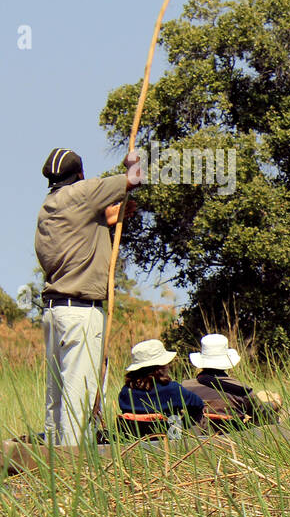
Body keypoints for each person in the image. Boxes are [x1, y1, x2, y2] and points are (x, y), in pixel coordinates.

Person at [35, 147, 143, 445]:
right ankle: (75, 473)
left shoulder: (49, 206)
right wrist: (132, 161)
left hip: (54, 311)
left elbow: (76, 236)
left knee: (56, 400)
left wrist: (105, 222)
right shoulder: (83, 192)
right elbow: (135, 178)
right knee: (79, 398)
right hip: (81, 312)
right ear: (79, 175)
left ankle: (53, 464)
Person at [180, 333, 281, 428]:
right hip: (231, 440)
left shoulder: (185, 387)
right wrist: (276, 403)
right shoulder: (241, 389)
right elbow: (261, 413)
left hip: (194, 439)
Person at [116, 340, 204, 437]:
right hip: (170, 442)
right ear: (161, 366)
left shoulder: (126, 392)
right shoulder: (172, 389)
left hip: (134, 442)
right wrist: (183, 422)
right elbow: (198, 404)